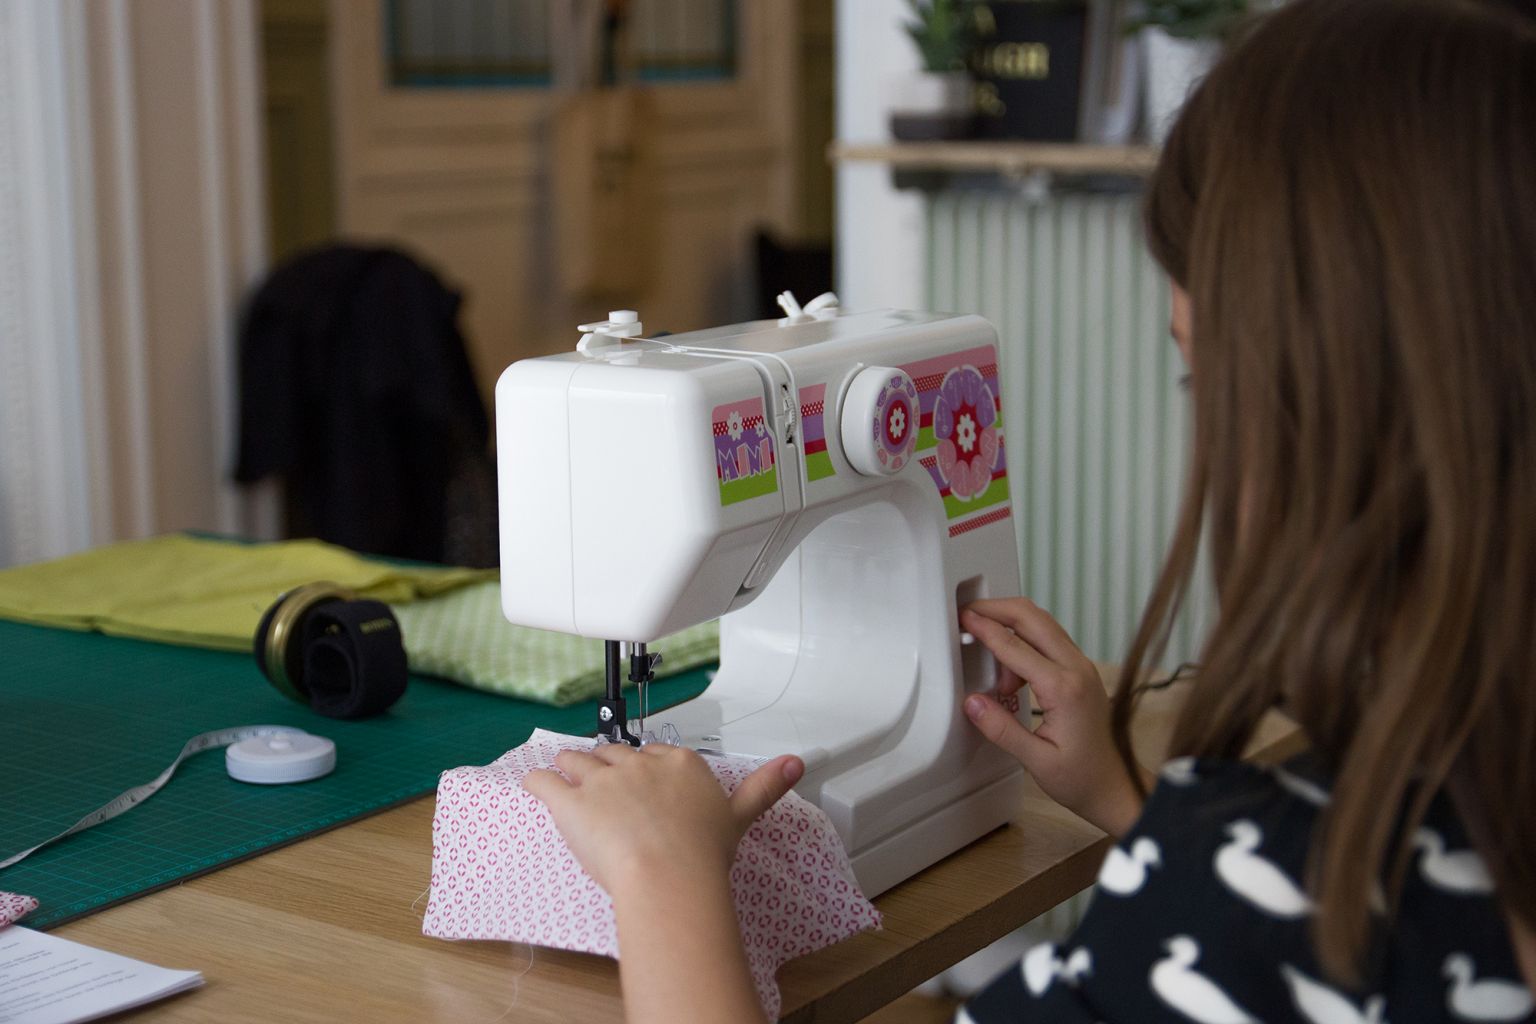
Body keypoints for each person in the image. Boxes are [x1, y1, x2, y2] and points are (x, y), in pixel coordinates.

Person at [522, 0, 1536, 1019]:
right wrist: (1131, 810)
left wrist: (663, 879)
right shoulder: (1441, 828)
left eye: (1206, 383)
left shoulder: (1274, 894)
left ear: (1341, 417)